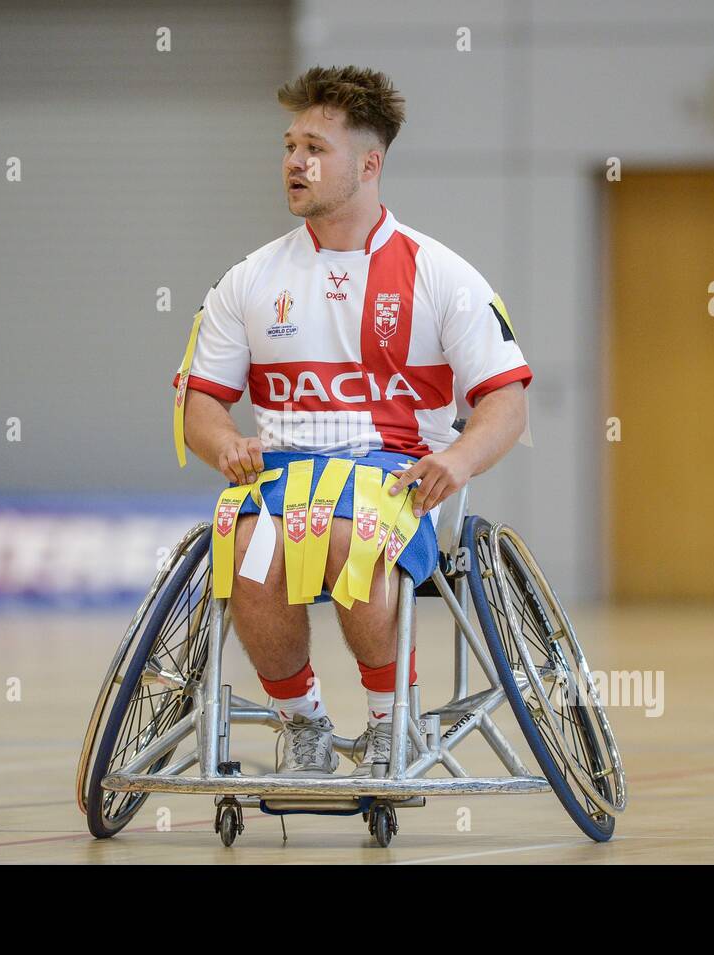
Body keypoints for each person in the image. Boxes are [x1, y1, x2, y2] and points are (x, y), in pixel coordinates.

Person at [171, 65, 531, 776]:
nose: (295, 163)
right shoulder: (249, 278)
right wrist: (225, 444)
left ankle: (387, 720)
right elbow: (199, 403)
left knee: (347, 534)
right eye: (289, 145)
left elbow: (507, 402)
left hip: (395, 477)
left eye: (316, 148)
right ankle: (302, 721)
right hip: (280, 477)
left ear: (369, 164)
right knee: (251, 556)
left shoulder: (441, 274)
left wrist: (456, 461)